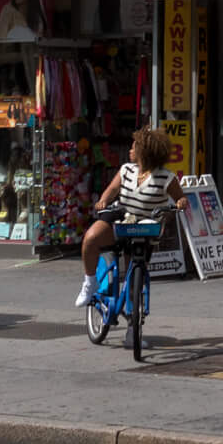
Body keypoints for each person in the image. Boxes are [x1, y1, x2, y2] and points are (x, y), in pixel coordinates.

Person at [76, 125, 178, 307]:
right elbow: (112, 189)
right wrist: (103, 200)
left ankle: (134, 326)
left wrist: (181, 204)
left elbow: (181, 198)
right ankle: (89, 283)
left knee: (134, 282)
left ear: (144, 152)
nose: (130, 150)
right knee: (91, 238)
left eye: (133, 147)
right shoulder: (126, 170)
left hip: (146, 227)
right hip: (122, 218)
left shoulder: (166, 177)